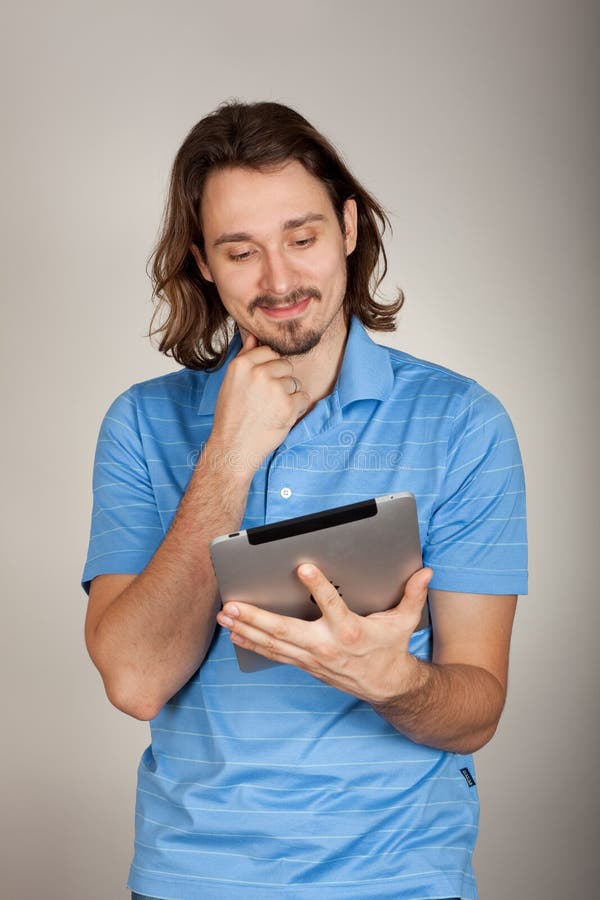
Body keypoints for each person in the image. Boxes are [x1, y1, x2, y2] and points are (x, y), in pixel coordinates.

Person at [82, 100, 527, 900]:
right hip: (193, 877)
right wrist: (228, 455)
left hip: (400, 881)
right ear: (204, 263)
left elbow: (477, 712)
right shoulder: (142, 425)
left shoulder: (463, 423)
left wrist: (391, 678)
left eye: (303, 236)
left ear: (349, 228)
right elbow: (136, 680)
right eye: (241, 250)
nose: (280, 279)